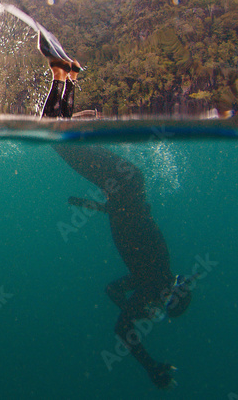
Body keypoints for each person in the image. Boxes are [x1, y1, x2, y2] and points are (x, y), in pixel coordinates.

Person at [54, 144, 193, 389]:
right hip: (120, 186)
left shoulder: (153, 278)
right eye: (166, 302)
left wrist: (135, 309)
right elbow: (120, 326)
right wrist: (150, 367)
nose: (159, 304)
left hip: (127, 183)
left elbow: (111, 288)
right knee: (65, 145)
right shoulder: (153, 283)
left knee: (69, 144)